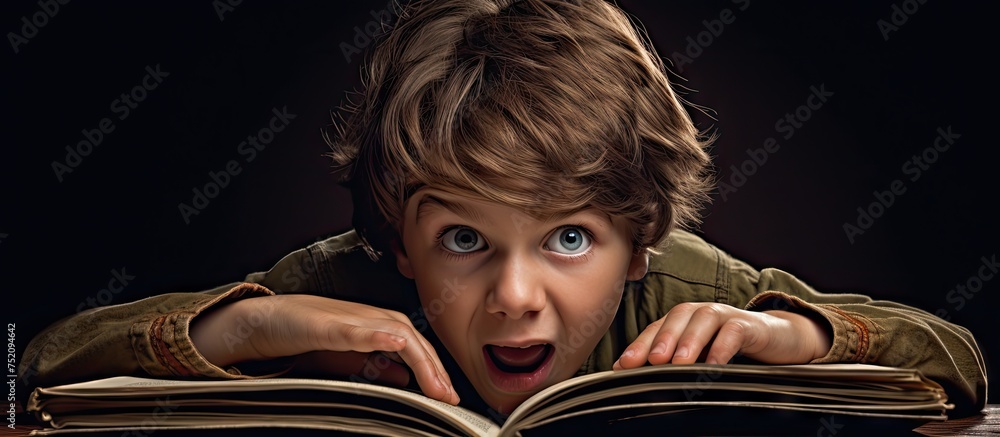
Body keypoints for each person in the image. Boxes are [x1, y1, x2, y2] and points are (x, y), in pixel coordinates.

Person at [20, 0, 986, 421]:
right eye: (465, 239)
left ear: (641, 241)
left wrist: (795, 337)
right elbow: (41, 364)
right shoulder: (330, 295)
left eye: (570, 237)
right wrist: (248, 323)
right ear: (398, 241)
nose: (515, 295)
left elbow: (957, 363)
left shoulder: (696, 295)